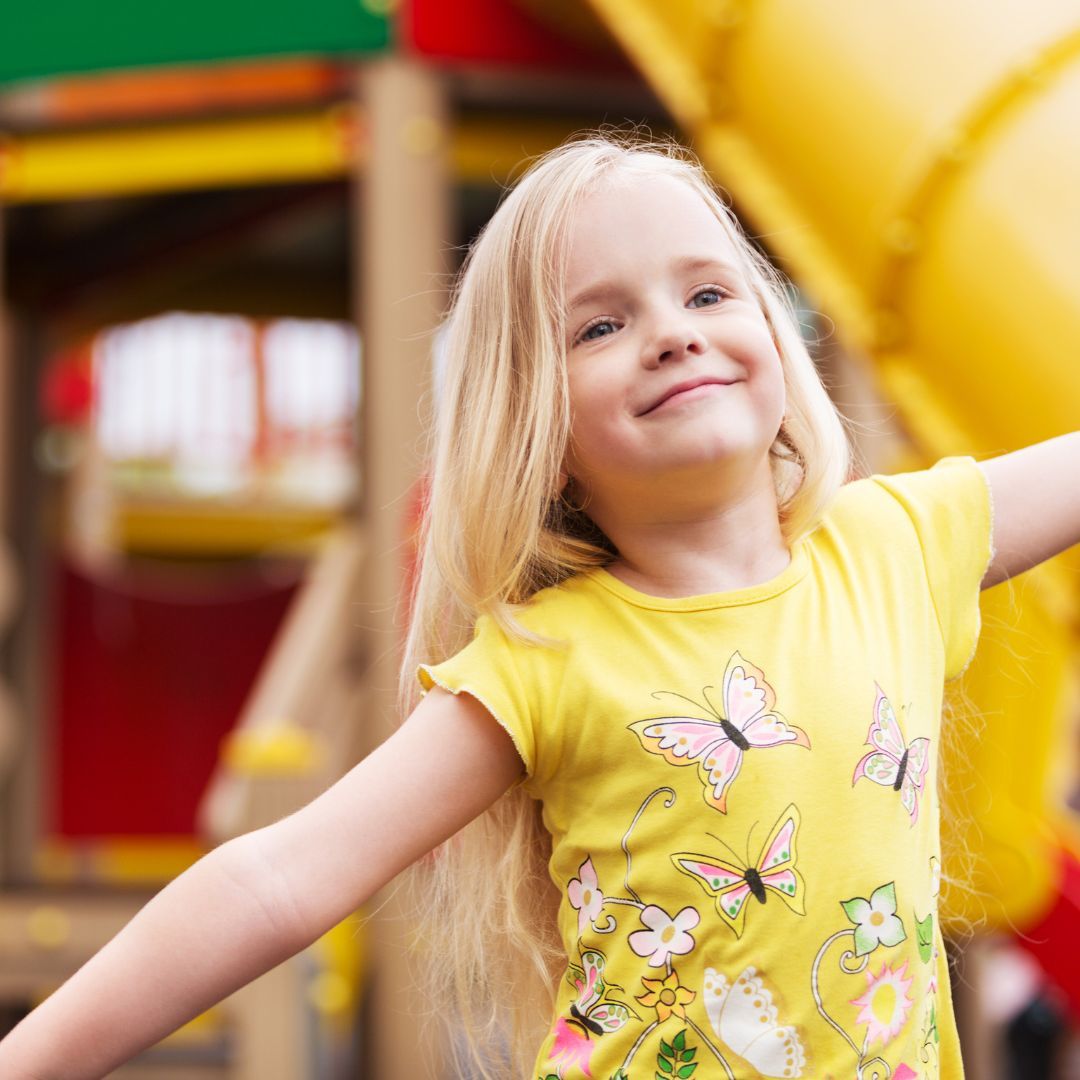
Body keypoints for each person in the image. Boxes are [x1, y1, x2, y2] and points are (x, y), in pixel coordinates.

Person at [1, 134, 1077, 1080]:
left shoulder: (891, 544)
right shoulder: (550, 659)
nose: (672, 332)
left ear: (775, 342)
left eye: (708, 295)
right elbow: (278, 878)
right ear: (540, 433)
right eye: (600, 325)